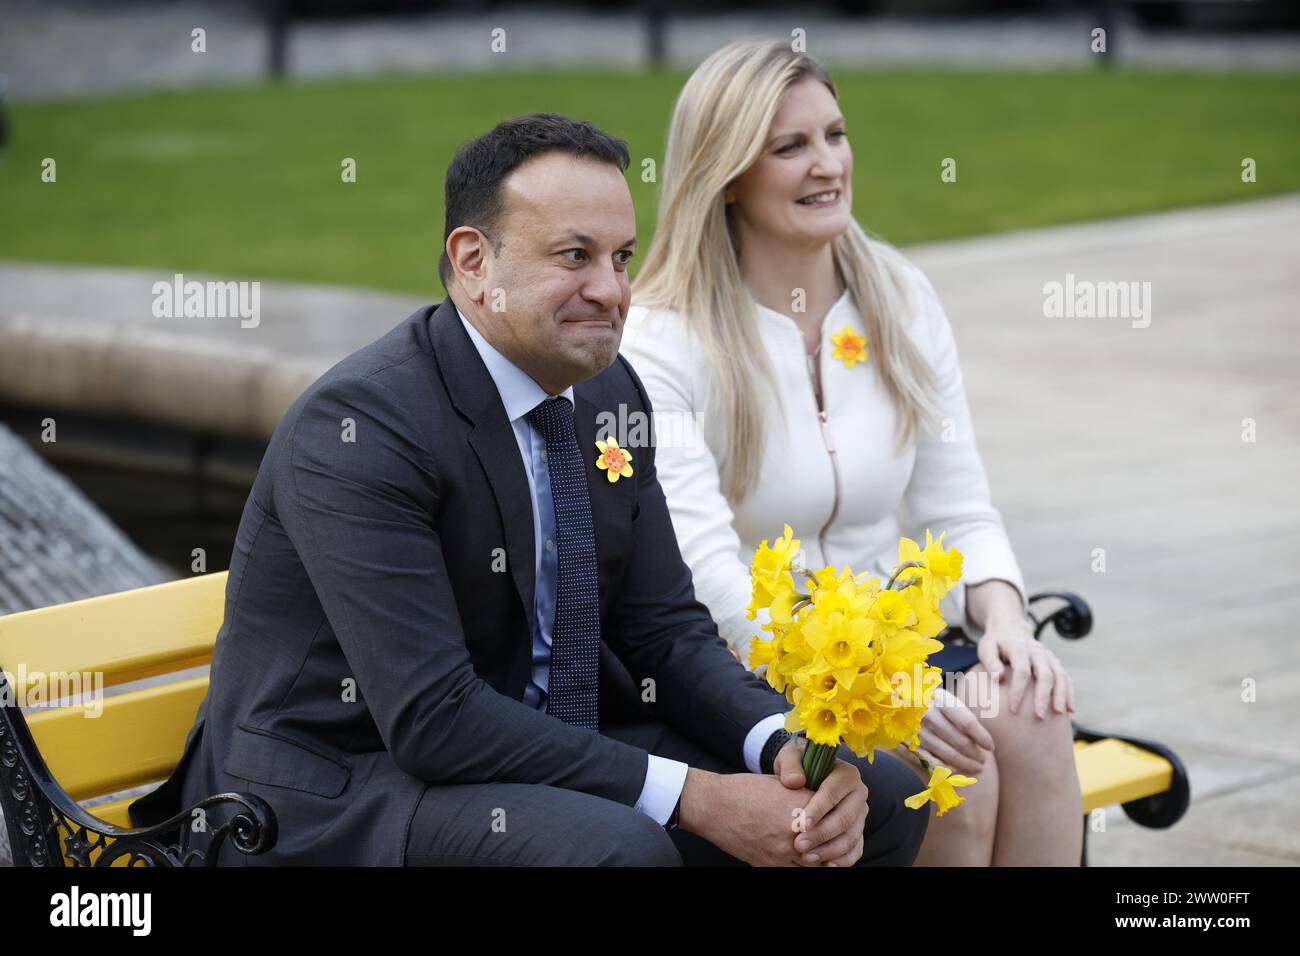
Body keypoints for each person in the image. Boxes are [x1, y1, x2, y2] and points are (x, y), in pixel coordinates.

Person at [128, 112, 928, 867]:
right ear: (475, 263)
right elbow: (432, 718)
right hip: (337, 785)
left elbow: (665, 633)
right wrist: (699, 797)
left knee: (874, 796)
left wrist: (779, 743)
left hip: (536, 741)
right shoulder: (361, 428)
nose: (614, 291)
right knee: (620, 848)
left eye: (621, 257)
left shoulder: (611, 395)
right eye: (574, 256)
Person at [621, 40, 1083, 865]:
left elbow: (959, 505)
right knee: (954, 770)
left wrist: (1006, 617)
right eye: (790, 146)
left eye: (835, 134)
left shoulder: (898, 294)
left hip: (907, 645)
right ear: (725, 173)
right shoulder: (663, 339)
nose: (827, 163)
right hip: (770, 668)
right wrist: (881, 688)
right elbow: (709, 572)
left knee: (1034, 713)